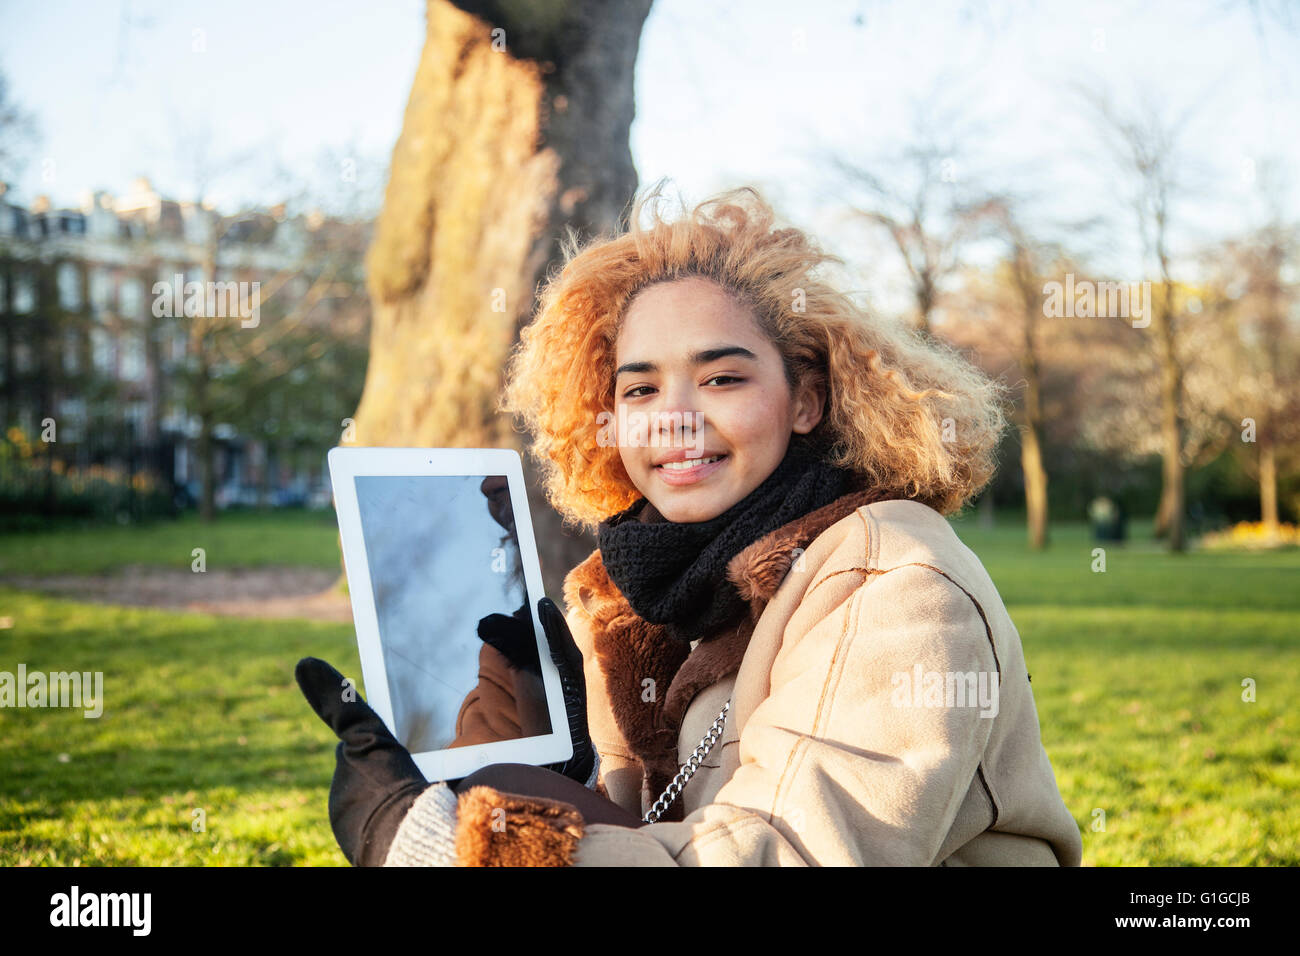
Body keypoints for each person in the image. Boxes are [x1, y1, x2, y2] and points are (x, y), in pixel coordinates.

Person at [296, 182, 1084, 867]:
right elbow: (656, 835)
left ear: (807, 399)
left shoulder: (893, 580)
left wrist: (435, 846)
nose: (673, 420)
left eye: (721, 377)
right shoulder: (633, 600)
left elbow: (794, 854)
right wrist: (553, 771)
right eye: (639, 391)